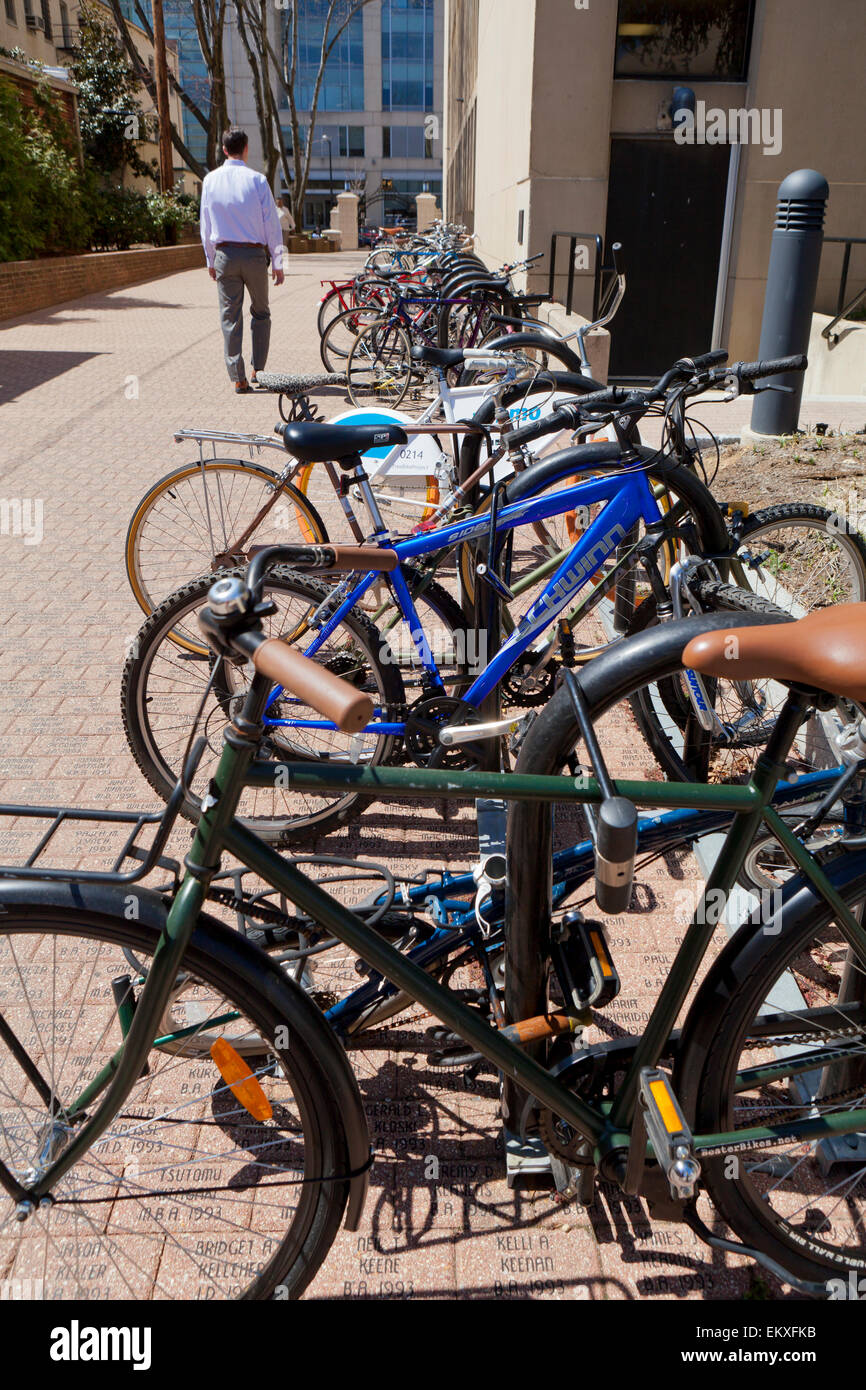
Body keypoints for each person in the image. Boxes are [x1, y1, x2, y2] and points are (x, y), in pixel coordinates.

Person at [199, 128, 284, 393]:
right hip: (255, 256)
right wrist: (279, 263)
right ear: (246, 148)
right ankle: (258, 369)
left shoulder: (210, 181)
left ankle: (238, 377)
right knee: (261, 313)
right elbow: (272, 224)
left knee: (230, 318)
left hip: (225, 254)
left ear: (224, 150)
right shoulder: (258, 181)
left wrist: (210, 260)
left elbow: (205, 224)